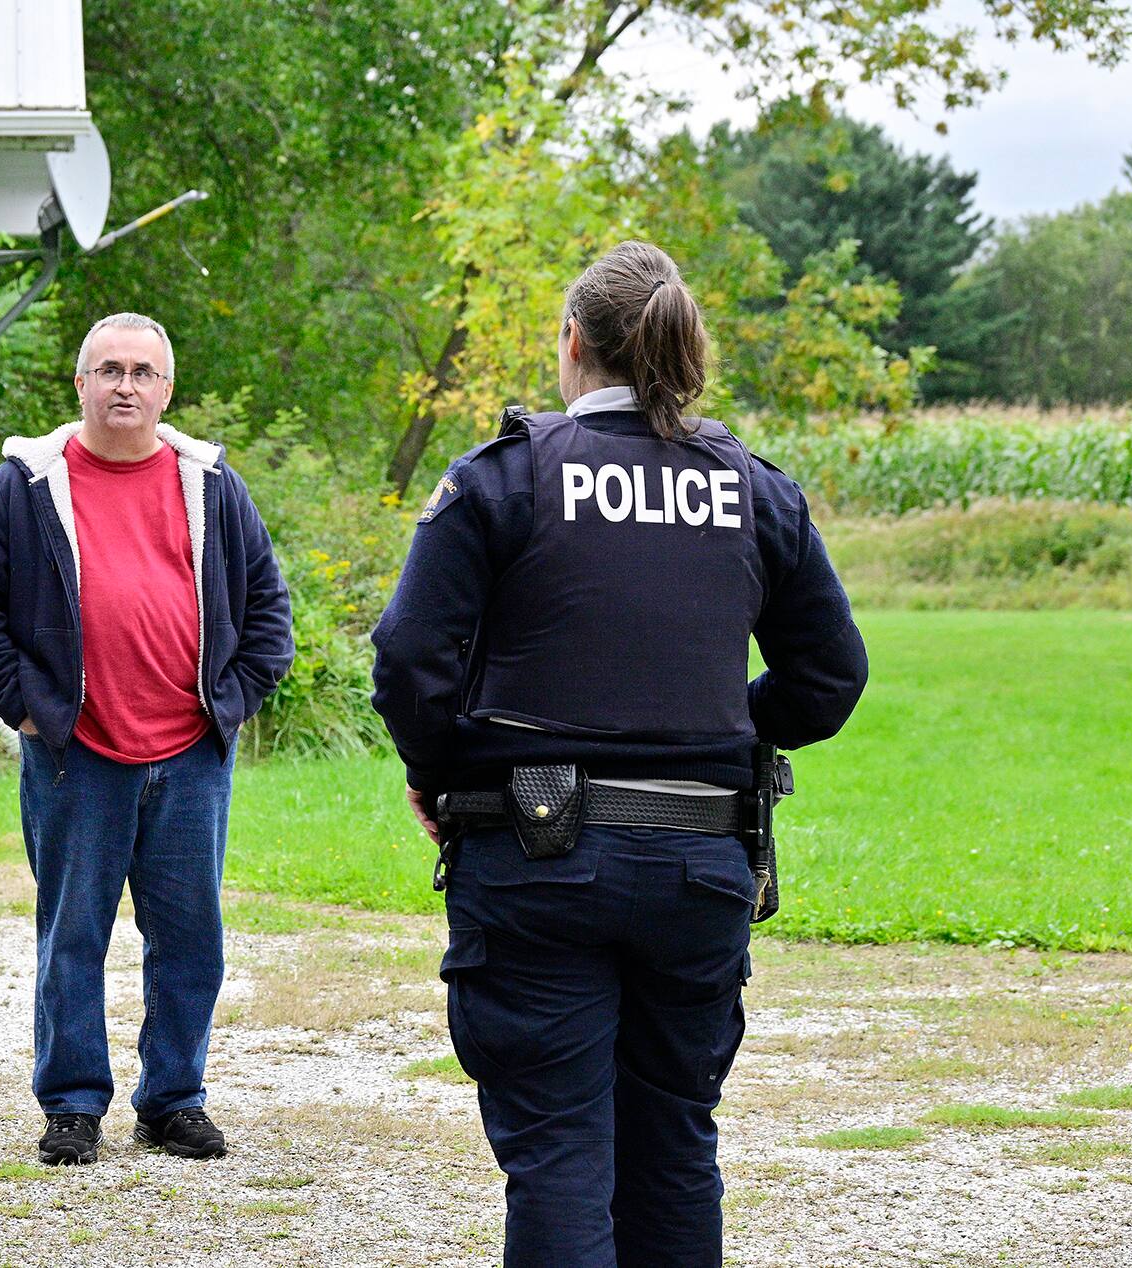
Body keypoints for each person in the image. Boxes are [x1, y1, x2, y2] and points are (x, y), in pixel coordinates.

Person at [371, 241, 868, 1267]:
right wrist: (719, 724)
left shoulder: (505, 477)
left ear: (571, 342)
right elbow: (827, 679)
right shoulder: (748, 489)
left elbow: (410, 654)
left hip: (534, 855)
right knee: (674, 1144)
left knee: (557, 1151)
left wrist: (446, 766)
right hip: (698, 864)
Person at [0, 312, 294, 1166]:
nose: (126, 386)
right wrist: (30, 712)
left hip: (189, 757)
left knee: (191, 940)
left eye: (143, 372)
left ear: (167, 389)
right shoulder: (27, 487)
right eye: (109, 370)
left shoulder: (212, 485)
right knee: (72, 935)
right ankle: (70, 1103)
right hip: (78, 758)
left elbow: (269, 615)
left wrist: (233, 703)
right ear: (80, 384)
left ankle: (173, 1099)